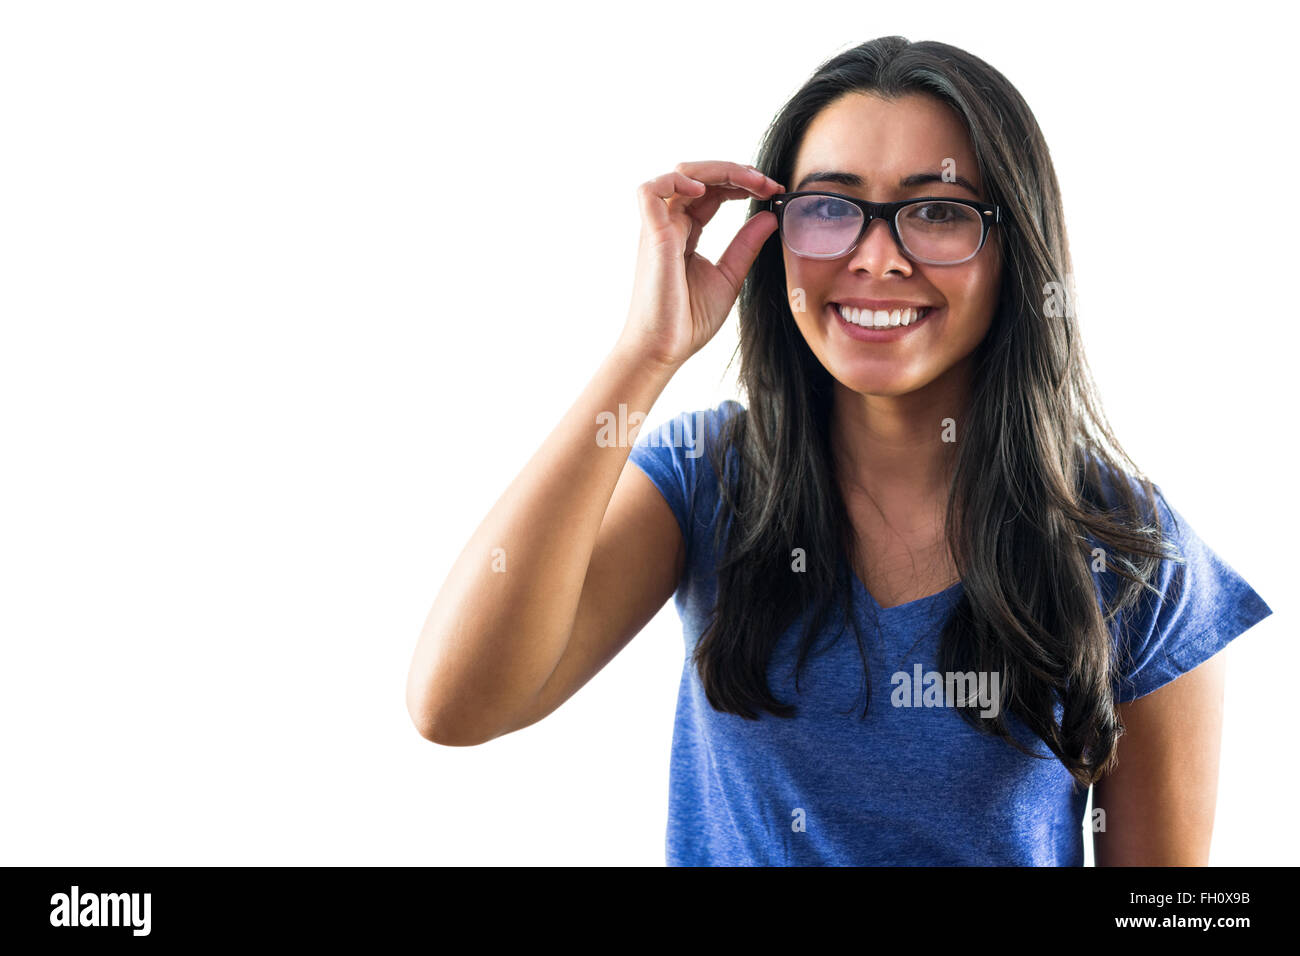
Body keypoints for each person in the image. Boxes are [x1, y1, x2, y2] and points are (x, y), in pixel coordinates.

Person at [405, 36, 1272, 866]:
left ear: (1015, 246)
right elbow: (456, 705)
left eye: (937, 211)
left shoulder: (1132, 550)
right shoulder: (706, 478)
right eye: (829, 208)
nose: (876, 258)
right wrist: (646, 353)